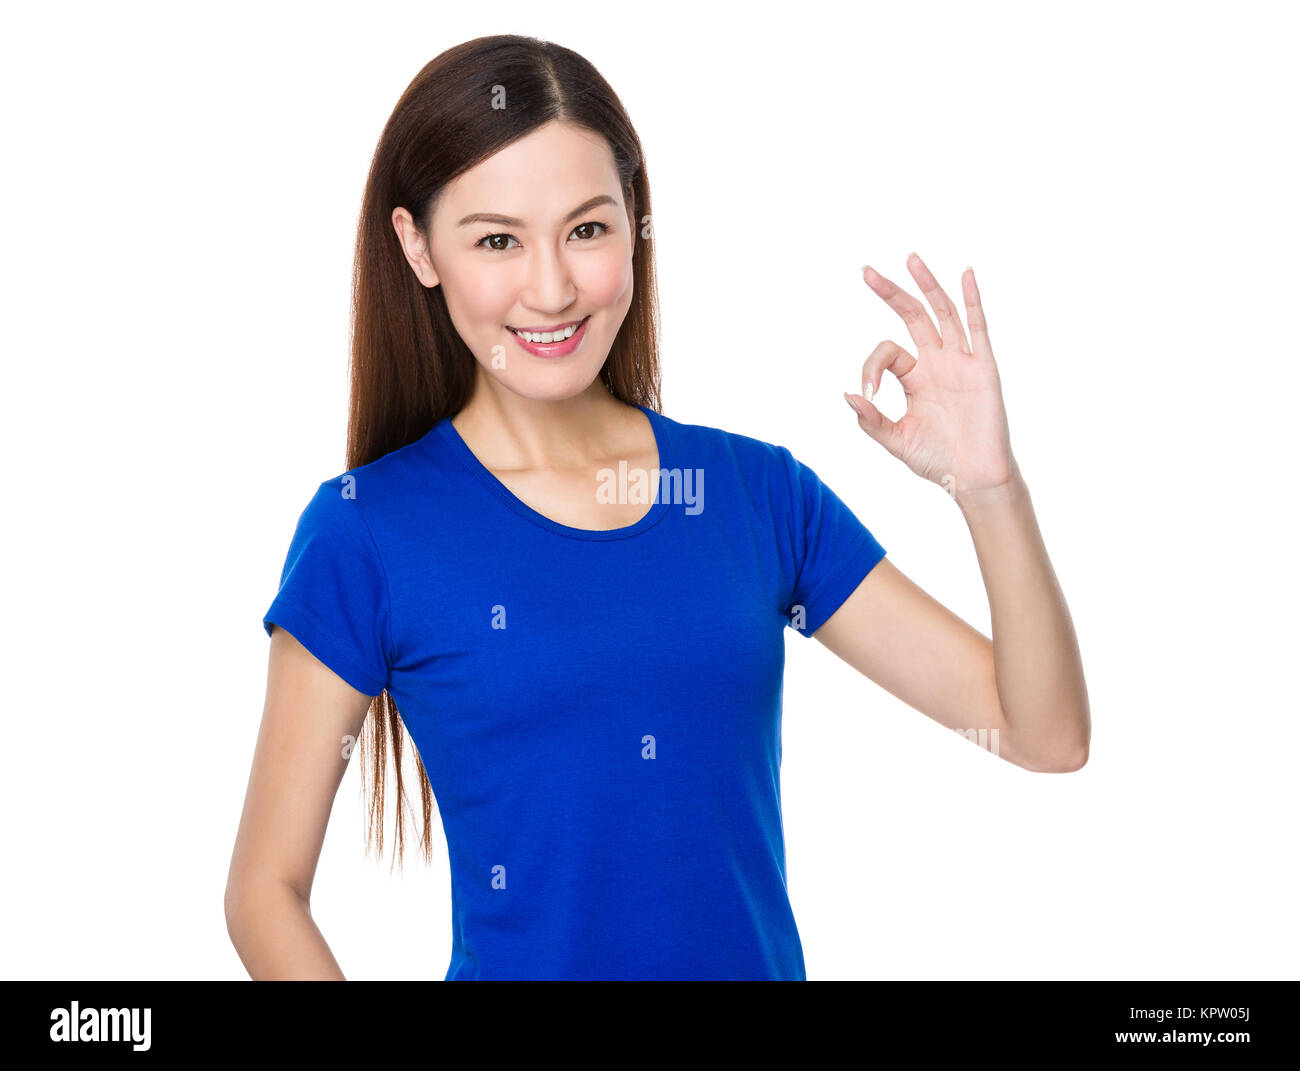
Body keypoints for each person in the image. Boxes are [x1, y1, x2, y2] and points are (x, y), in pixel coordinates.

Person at [224, 34, 1090, 982]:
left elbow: (1043, 734)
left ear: (635, 225)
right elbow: (265, 892)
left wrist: (990, 490)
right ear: (417, 246)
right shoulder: (368, 532)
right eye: (497, 239)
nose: (550, 287)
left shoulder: (754, 497)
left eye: (587, 230)